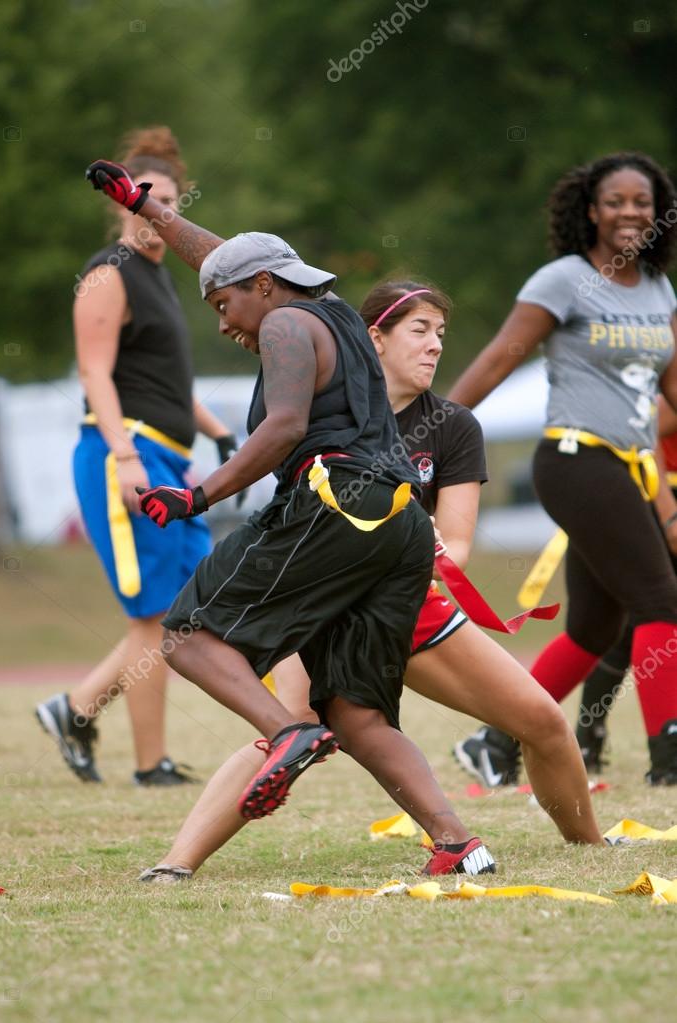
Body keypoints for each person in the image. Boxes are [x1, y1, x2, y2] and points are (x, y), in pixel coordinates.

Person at [83, 156, 498, 874]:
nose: (222, 325)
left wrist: (198, 495)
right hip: (398, 522)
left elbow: (280, 429)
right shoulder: (329, 311)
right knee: (356, 711)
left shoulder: (280, 325)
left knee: (185, 633)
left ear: (266, 289)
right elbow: (228, 261)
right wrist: (151, 211)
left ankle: (284, 733)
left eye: (223, 307)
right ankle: (459, 843)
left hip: (334, 501)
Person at [136, 279, 602, 885]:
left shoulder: (452, 426)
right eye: (419, 331)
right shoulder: (324, 393)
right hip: (322, 590)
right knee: (292, 726)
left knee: (540, 721)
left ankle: (588, 847)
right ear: (370, 337)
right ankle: (177, 863)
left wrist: (402, 540)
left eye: (440, 333)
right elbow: (254, 275)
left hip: (409, 598)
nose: (435, 346)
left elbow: (456, 542)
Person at [451, 151, 677, 787]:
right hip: (578, 460)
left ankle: (494, 742)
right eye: (616, 201)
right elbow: (500, 357)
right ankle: (670, 754)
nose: (630, 212)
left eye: (642, 202)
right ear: (590, 211)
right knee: (662, 599)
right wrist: (431, 424)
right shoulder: (564, 279)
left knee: (595, 625)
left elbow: (672, 385)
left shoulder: (660, 288)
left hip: (633, 468)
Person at [36, 127, 237, 786]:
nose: (157, 211)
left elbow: (170, 383)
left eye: (171, 201)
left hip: (169, 459)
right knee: (154, 617)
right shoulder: (107, 273)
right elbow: (96, 377)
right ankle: (151, 765)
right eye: (144, 199)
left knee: (185, 609)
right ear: (122, 203)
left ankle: (75, 708)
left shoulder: (160, 275)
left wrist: (219, 432)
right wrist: (127, 459)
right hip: (126, 454)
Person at [575, 396, 677, 771]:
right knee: (633, 625)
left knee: (631, 627)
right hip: (656, 500)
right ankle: (589, 737)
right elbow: (645, 438)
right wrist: (669, 517)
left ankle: (587, 738)